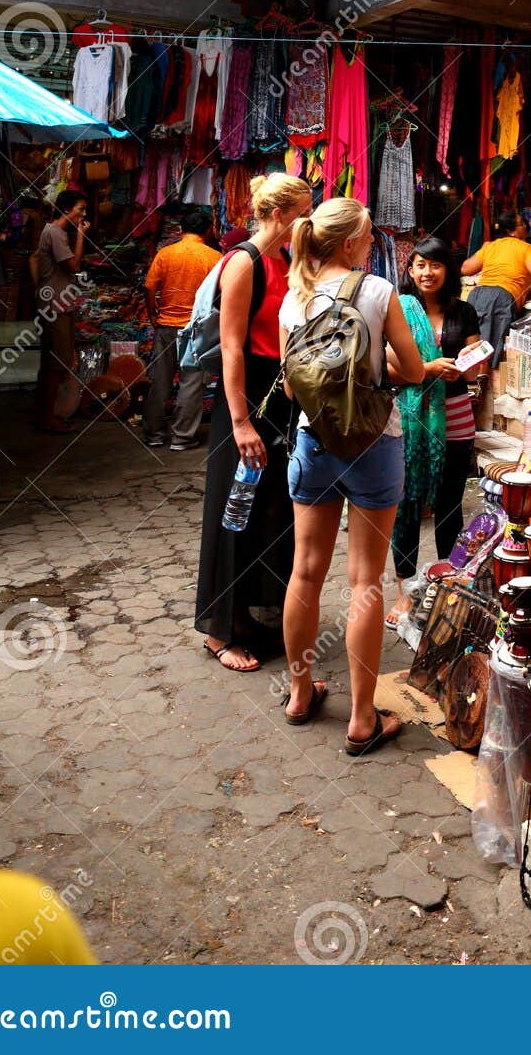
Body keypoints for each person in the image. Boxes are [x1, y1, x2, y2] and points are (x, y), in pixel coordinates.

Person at [279, 198, 424, 753]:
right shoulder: (379, 292)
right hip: (374, 441)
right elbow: (413, 371)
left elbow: (290, 386)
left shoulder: (295, 296)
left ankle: (299, 694)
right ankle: (362, 720)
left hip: (314, 440)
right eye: (367, 236)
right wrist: (376, 363)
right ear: (348, 243)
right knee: (365, 581)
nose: (371, 244)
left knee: (305, 572)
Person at [195, 173, 313, 674]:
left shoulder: (285, 260)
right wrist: (241, 423)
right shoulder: (243, 262)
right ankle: (219, 632)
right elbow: (231, 348)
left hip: (277, 398)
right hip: (244, 400)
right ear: (280, 214)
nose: (310, 220)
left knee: (270, 509)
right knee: (234, 510)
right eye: (305, 212)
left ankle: (252, 615)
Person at [389, 237, 484, 623]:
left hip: (456, 418)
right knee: (406, 505)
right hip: (409, 421)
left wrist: (467, 365)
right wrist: (426, 370)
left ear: (448, 270)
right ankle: (404, 593)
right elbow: (385, 368)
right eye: (421, 265)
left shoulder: (463, 312)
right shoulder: (397, 309)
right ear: (410, 270)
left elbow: (476, 368)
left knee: (448, 506)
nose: (428, 272)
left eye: (436, 265)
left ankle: (449, 586)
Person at [142, 207, 220, 450]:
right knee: (192, 383)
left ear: (181, 229)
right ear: (207, 230)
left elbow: (149, 287)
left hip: (166, 326)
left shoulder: (165, 254)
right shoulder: (214, 258)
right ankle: (182, 437)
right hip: (196, 329)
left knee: (160, 381)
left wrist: (153, 314)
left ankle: (154, 433)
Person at [460, 210, 531, 364]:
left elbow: (466, 268)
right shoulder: (526, 248)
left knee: (472, 345)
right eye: (522, 224)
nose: (526, 226)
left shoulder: (490, 246)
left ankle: (470, 377)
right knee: (488, 351)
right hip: (499, 298)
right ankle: (483, 378)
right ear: (511, 231)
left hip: (477, 295)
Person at [33, 189, 87, 434]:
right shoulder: (56, 233)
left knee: (49, 364)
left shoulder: (53, 231)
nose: (83, 215)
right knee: (57, 365)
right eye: (80, 209)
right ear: (66, 209)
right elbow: (73, 266)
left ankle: (43, 414)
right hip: (56, 305)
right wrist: (81, 236)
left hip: (52, 303)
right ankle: (47, 418)